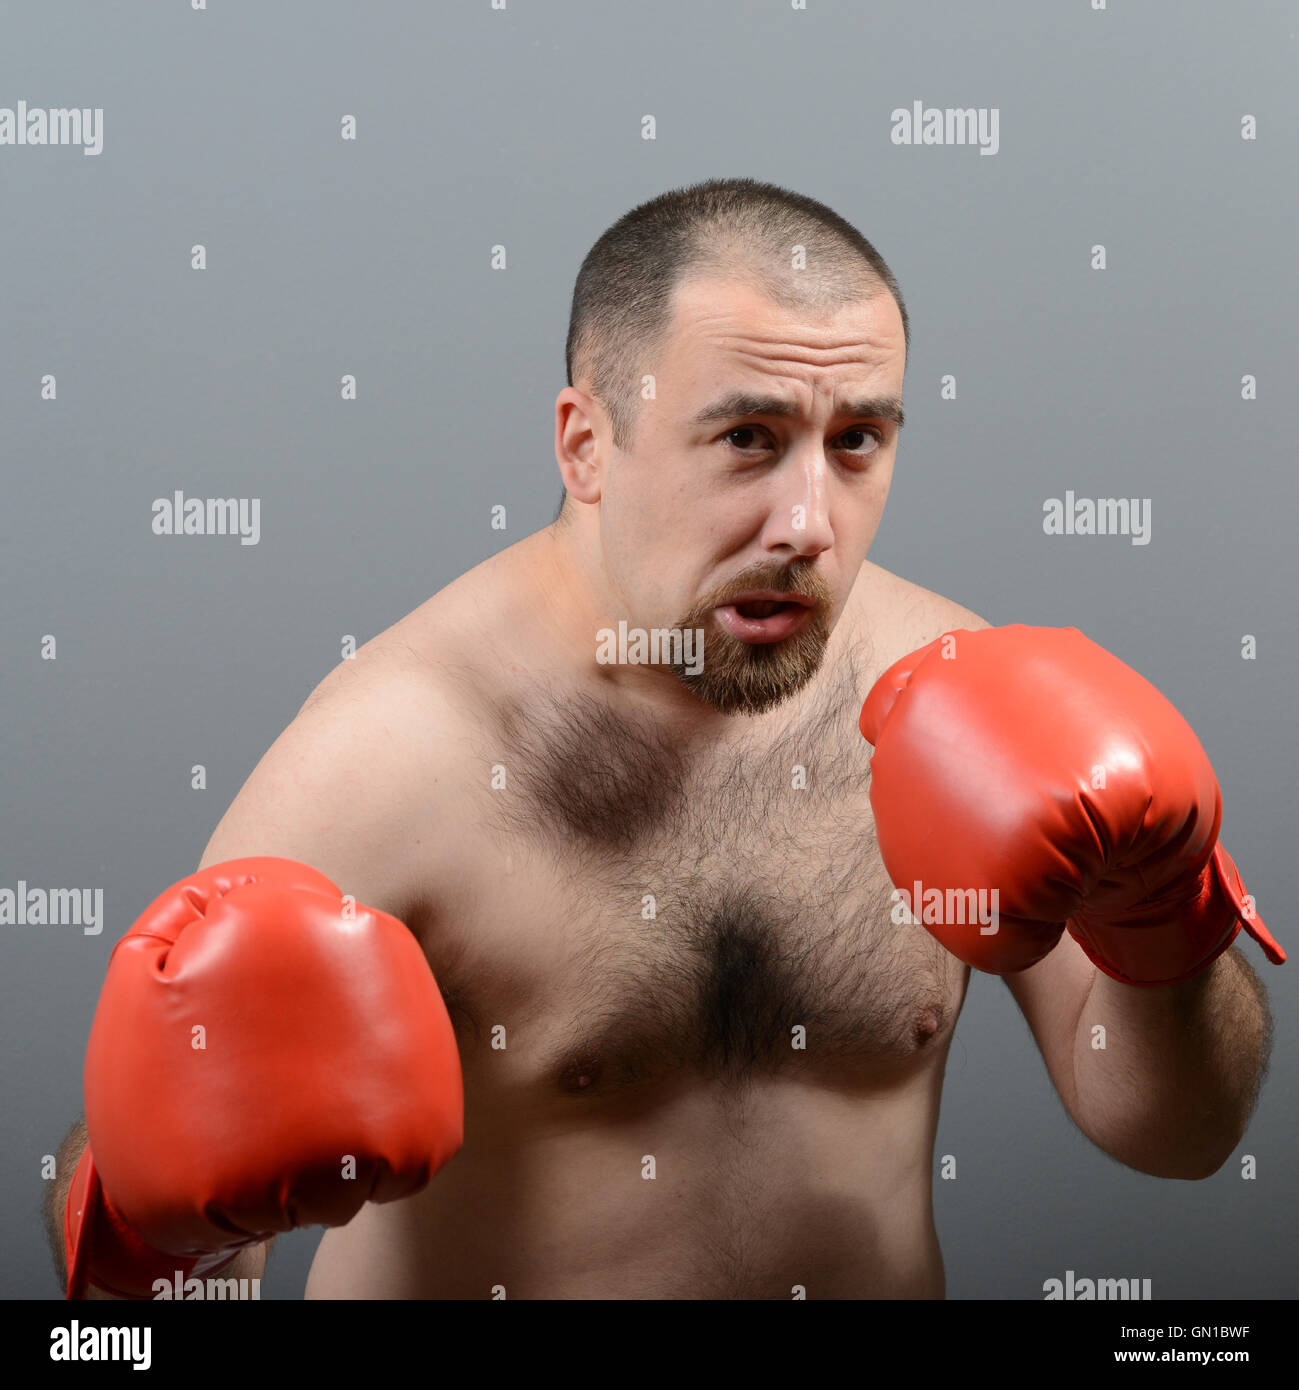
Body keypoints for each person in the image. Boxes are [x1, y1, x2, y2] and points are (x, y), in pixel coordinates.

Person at [48, 178, 1283, 1301]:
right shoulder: (395, 757)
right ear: (586, 444)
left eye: (857, 439)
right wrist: (161, 1238)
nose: (807, 522)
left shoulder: (962, 701)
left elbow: (1178, 1137)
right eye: (746, 438)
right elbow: (139, 1271)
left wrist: (1164, 920)